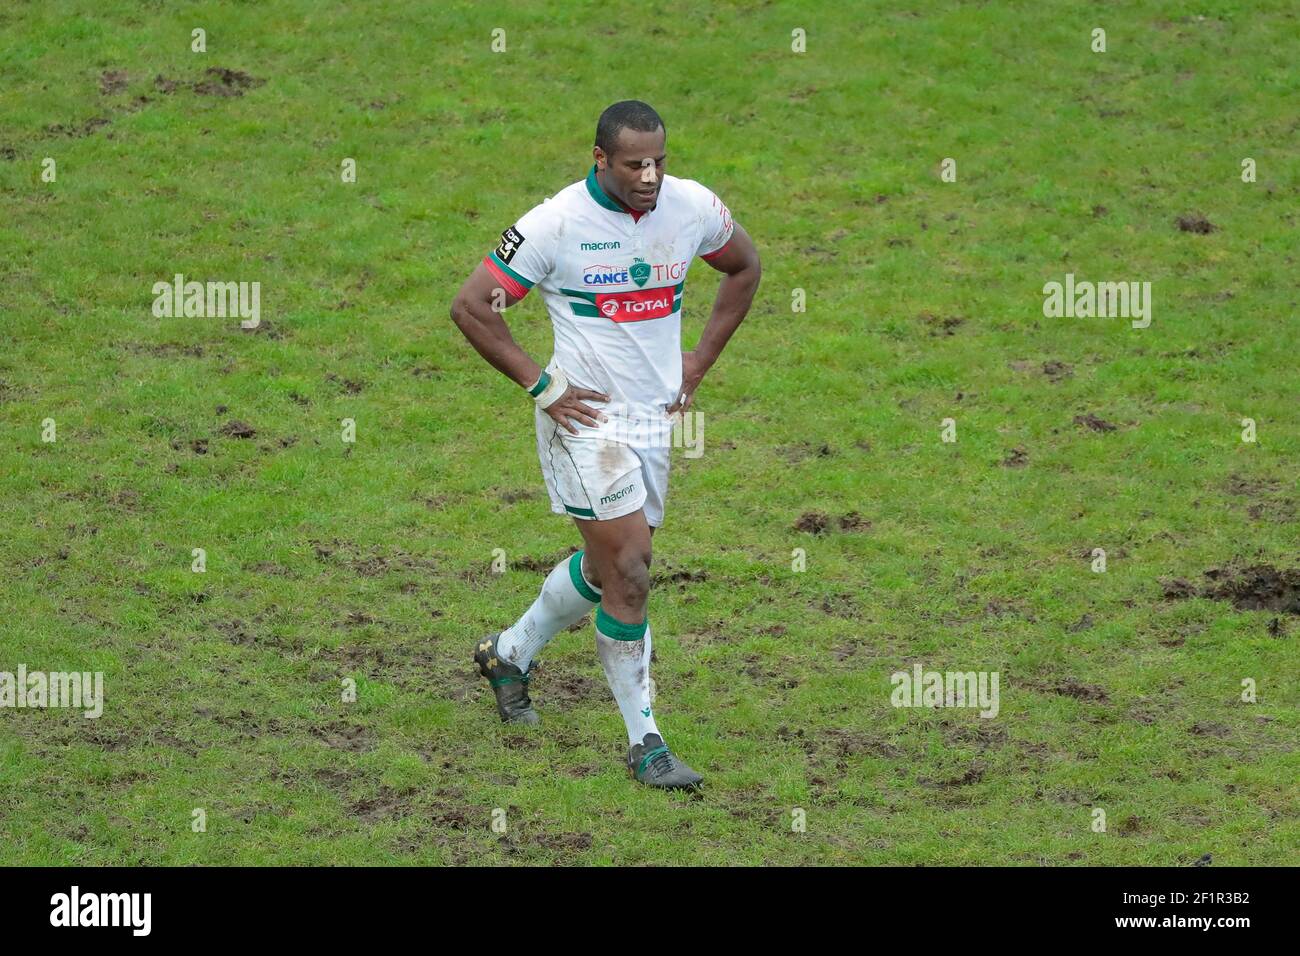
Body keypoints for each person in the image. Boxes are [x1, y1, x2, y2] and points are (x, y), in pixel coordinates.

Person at [449, 100, 761, 789]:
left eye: (659, 161)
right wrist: (543, 387)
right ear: (599, 160)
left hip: (652, 420)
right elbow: (473, 305)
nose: (649, 175)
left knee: (607, 570)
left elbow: (744, 267)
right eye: (633, 164)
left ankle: (508, 654)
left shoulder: (692, 207)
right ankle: (644, 741)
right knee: (631, 569)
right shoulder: (554, 224)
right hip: (583, 422)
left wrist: (697, 364)